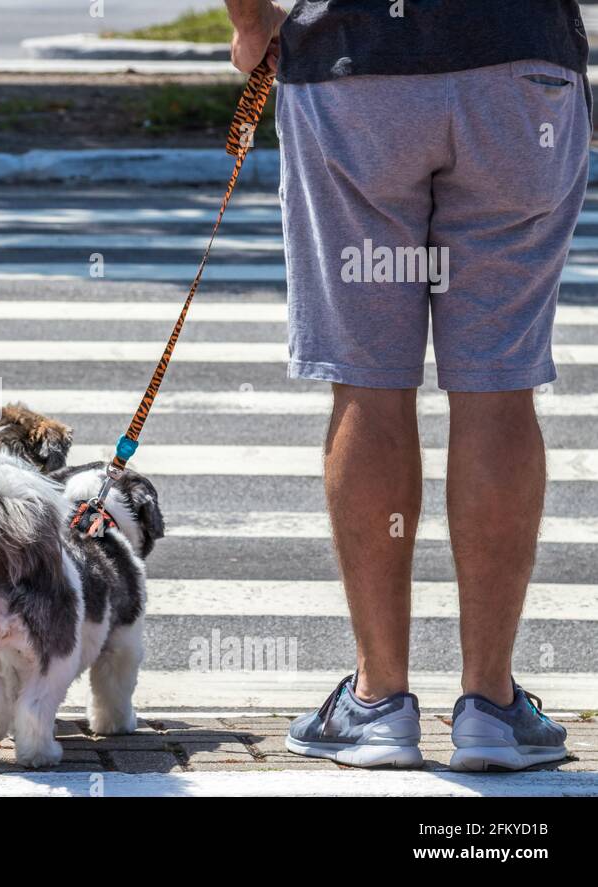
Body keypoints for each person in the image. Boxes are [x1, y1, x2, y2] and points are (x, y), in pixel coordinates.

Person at [225, 0, 586, 770]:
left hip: (358, 77)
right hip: (521, 73)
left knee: (367, 381)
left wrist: (251, 22)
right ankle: (489, 705)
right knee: (499, 384)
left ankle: (379, 700)